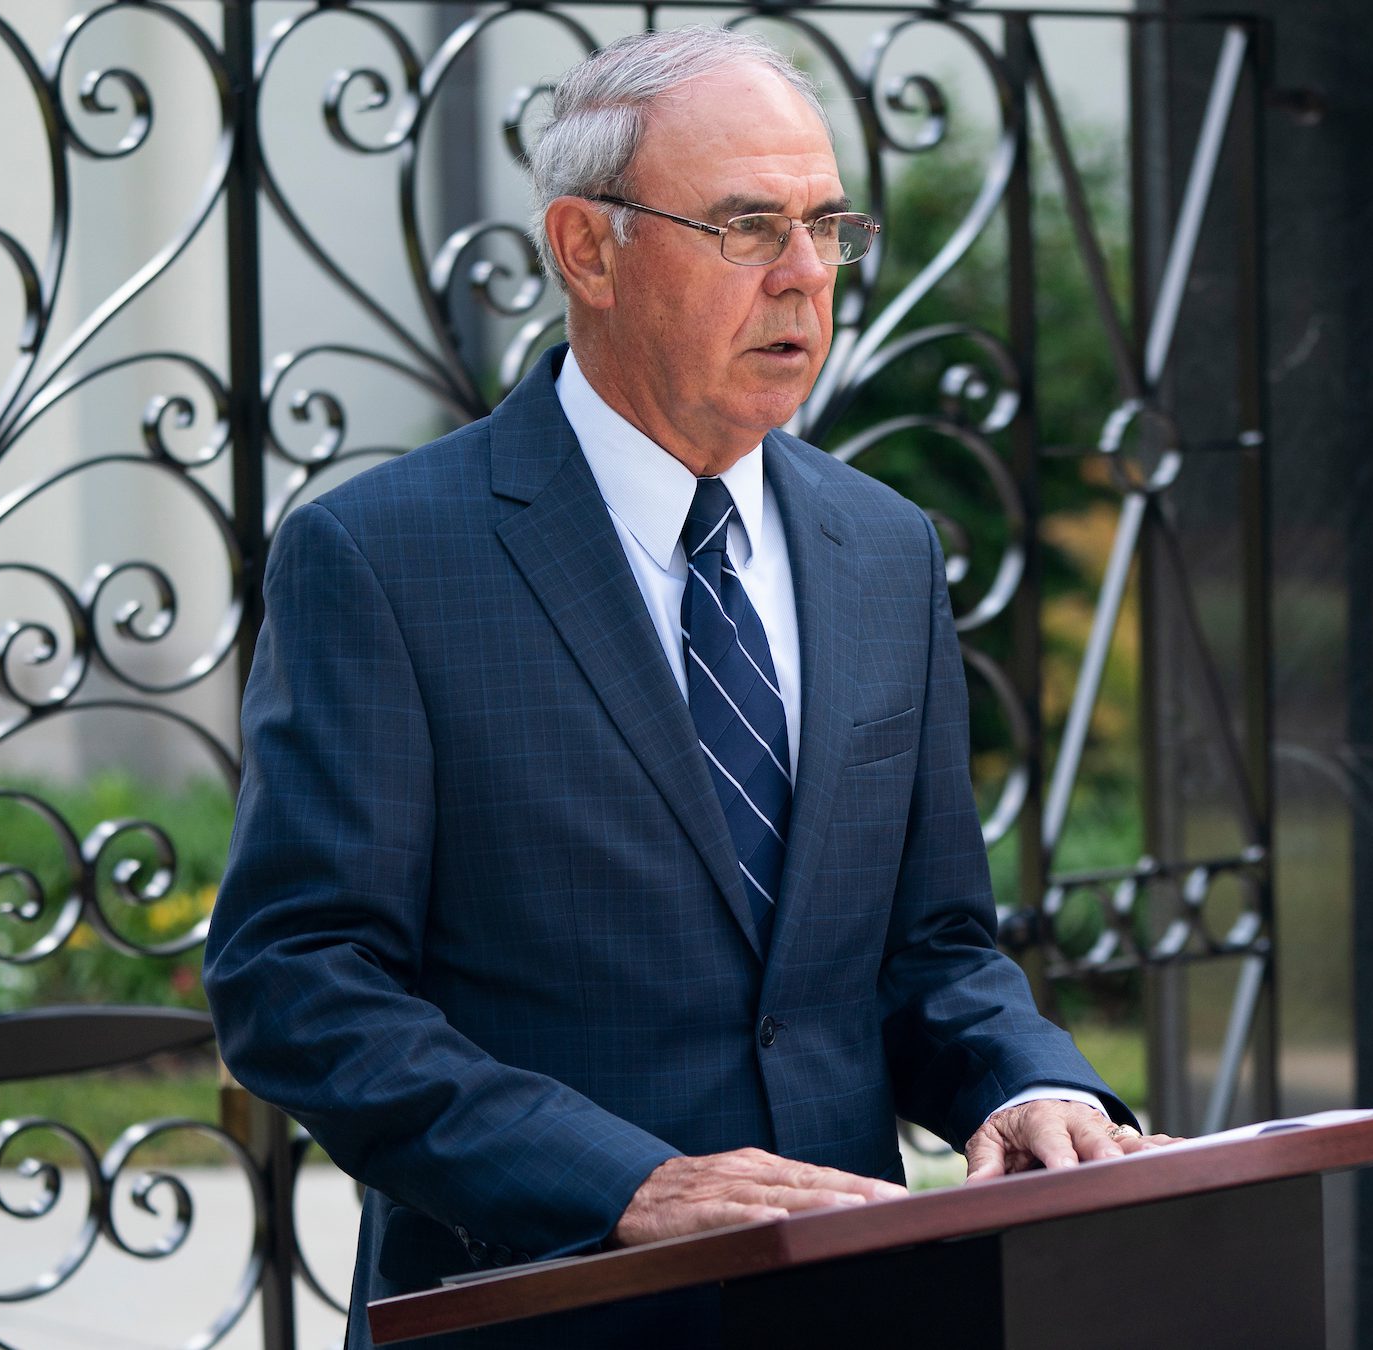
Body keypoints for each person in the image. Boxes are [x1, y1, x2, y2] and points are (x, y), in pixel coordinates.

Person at [203, 27, 1168, 1347]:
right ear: (587, 249)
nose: (806, 277)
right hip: (546, 1311)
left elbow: (933, 947)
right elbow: (298, 979)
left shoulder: (883, 547)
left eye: (829, 225)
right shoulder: (381, 557)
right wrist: (626, 1183)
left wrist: (1027, 1082)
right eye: (748, 226)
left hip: (858, 1306)